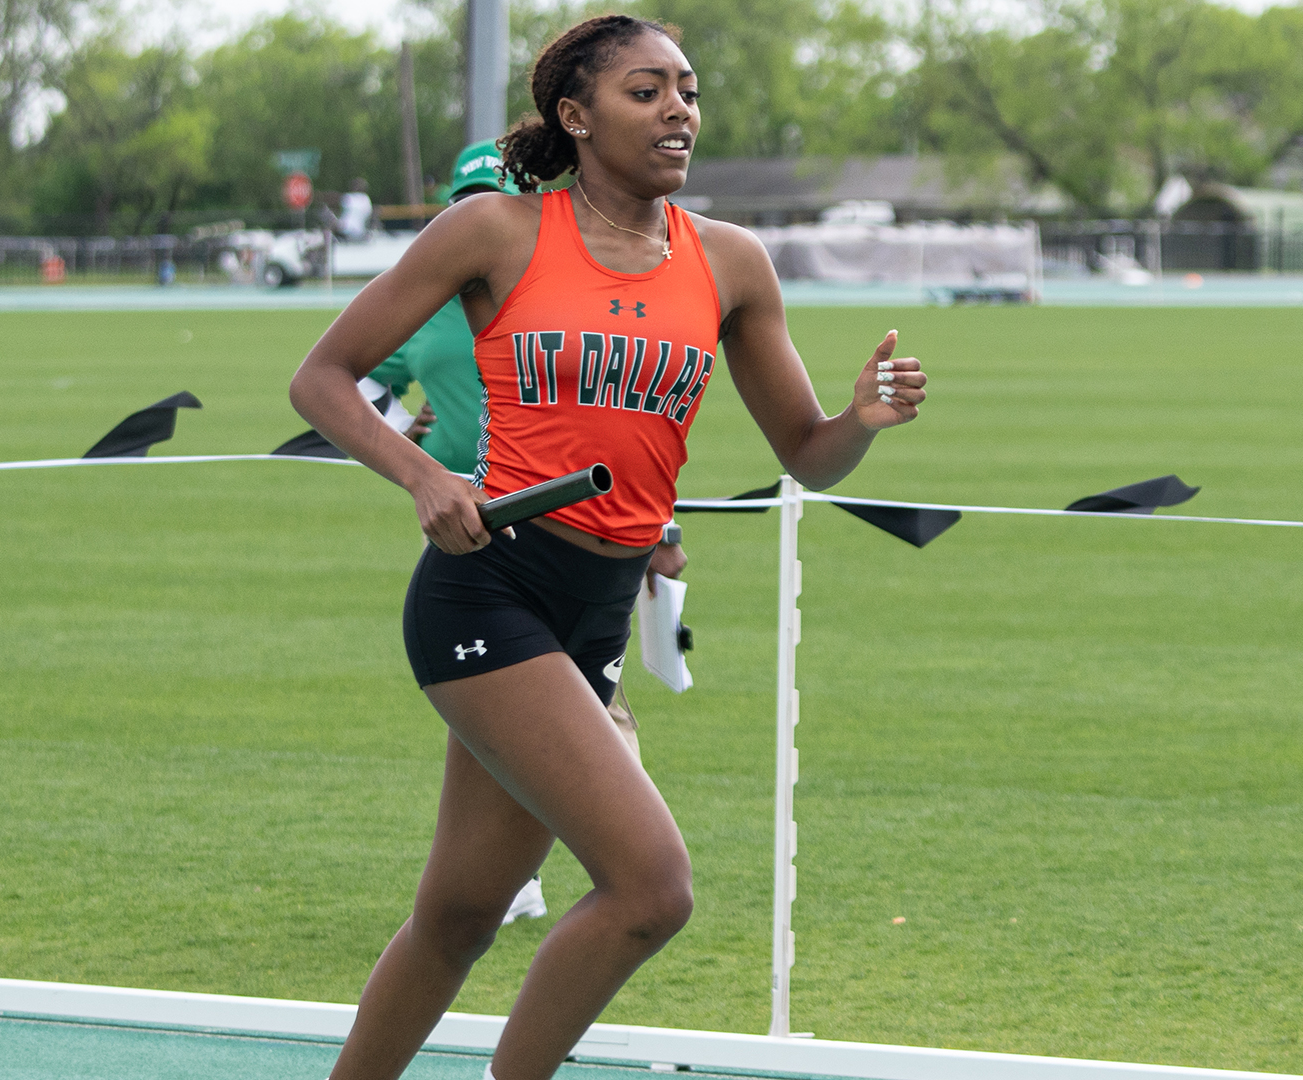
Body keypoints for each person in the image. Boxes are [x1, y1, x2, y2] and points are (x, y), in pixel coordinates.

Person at [288, 16, 926, 1080]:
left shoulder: (731, 262)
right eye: (647, 92)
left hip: (596, 610)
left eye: (687, 90)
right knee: (652, 888)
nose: (679, 110)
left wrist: (860, 418)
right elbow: (321, 378)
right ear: (576, 117)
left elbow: (809, 457)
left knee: (456, 921)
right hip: (487, 589)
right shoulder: (494, 230)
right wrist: (426, 477)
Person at [374, 139, 688, 927]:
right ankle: (576, 865)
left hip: (593, 547)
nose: (480, 210)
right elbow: (354, 389)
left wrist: (664, 527)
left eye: (498, 193)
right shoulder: (429, 305)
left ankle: (552, 867)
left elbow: (624, 426)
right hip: (478, 541)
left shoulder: (560, 286)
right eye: (467, 197)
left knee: (579, 730)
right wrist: (418, 458)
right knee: (562, 748)